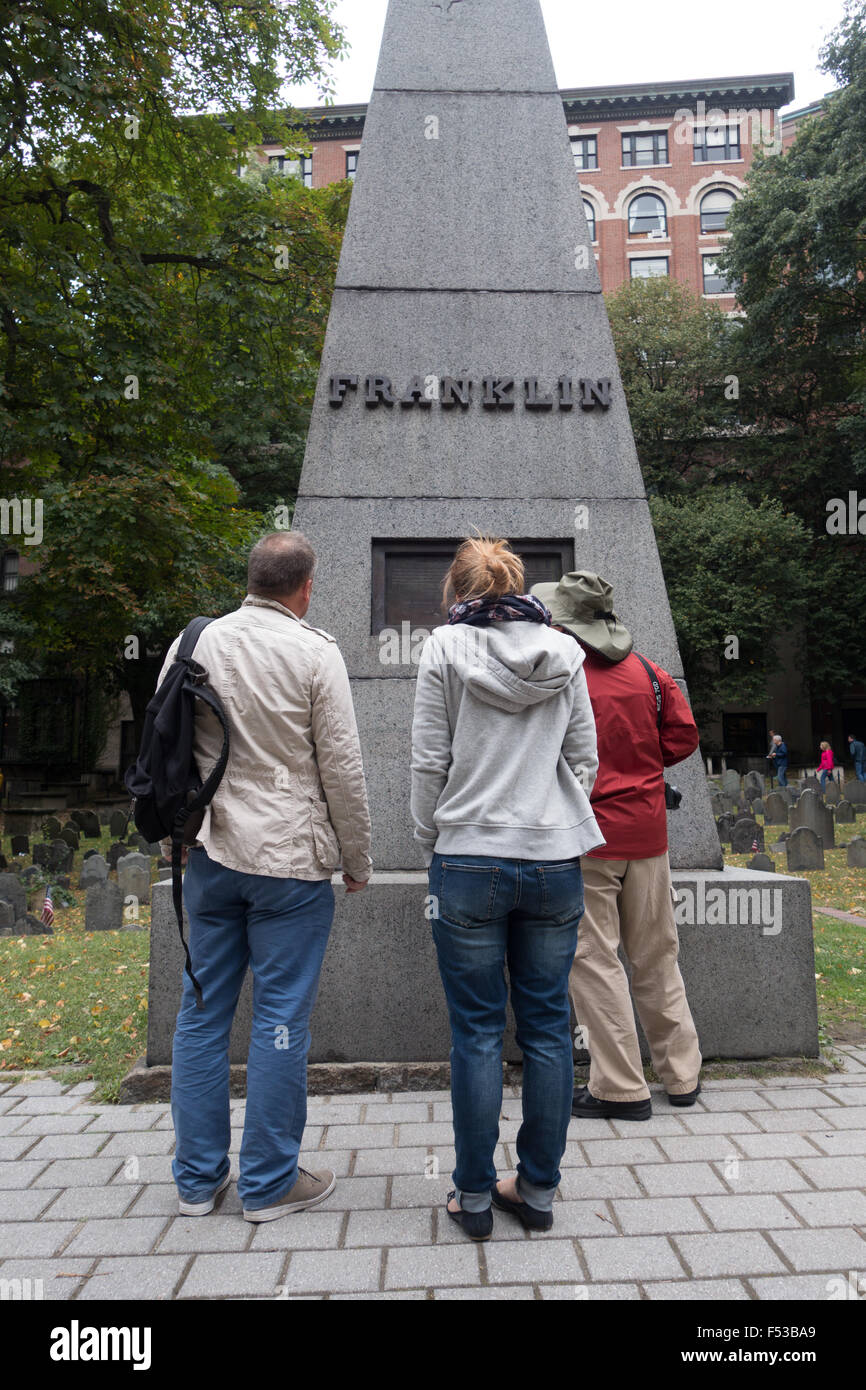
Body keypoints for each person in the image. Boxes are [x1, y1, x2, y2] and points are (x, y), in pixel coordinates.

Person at [158, 532, 372, 1224]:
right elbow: (341, 768)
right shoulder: (316, 653)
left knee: (200, 1016)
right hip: (289, 864)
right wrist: (357, 859)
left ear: (250, 580)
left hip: (211, 855)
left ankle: (196, 1182)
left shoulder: (194, 643)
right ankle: (271, 1182)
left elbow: (169, 745)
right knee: (280, 1022)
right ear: (305, 588)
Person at [411, 537, 603, 1240]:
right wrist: (548, 815)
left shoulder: (441, 651)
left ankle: (471, 1193)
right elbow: (584, 756)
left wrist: (431, 837)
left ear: (456, 590)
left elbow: (429, 760)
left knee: (477, 1032)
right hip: (553, 861)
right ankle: (538, 1188)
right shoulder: (569, 654)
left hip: (467, 859)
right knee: (550, 1028)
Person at [531, 571, 702, 1122]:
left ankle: (620, 1087)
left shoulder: (562, 673)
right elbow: (683, 736)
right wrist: (642, 769)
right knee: (657, 954)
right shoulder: (649, 671)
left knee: (595, 959)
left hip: (587, 839)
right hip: (649, 836)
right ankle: (682, 1077)